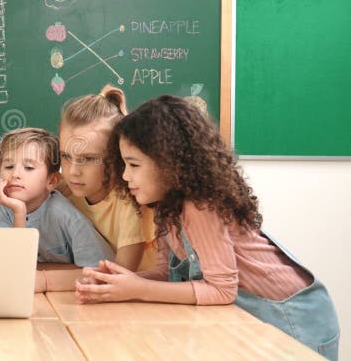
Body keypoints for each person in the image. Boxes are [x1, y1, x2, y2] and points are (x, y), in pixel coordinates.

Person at [75, 95, 340, 360]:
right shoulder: (165, 207)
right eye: (124, 164)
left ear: (169, 163)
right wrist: (118, 283)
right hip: (254, 321)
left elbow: (222, 290)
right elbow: (167, 273)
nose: (125, 175)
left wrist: (138, 289)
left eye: (134, 164)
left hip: (294, 322)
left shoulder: (199, 206)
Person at [0, 128, 114, 292]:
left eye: (29, 167)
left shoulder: (66, 216)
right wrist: (19, 212)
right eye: (8, 166)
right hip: (18, 291)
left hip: (64, 294)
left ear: (51, 181)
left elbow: (101, 271)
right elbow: (10, 267)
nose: (15, 174)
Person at [58, 85, 156, 271]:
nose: (73, 171)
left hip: (141, 286)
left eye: (88, 159)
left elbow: (118, 273)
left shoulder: (131, 200)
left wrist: (45, 278)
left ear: (116, 156)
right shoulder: (63, 190)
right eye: (65, 156)